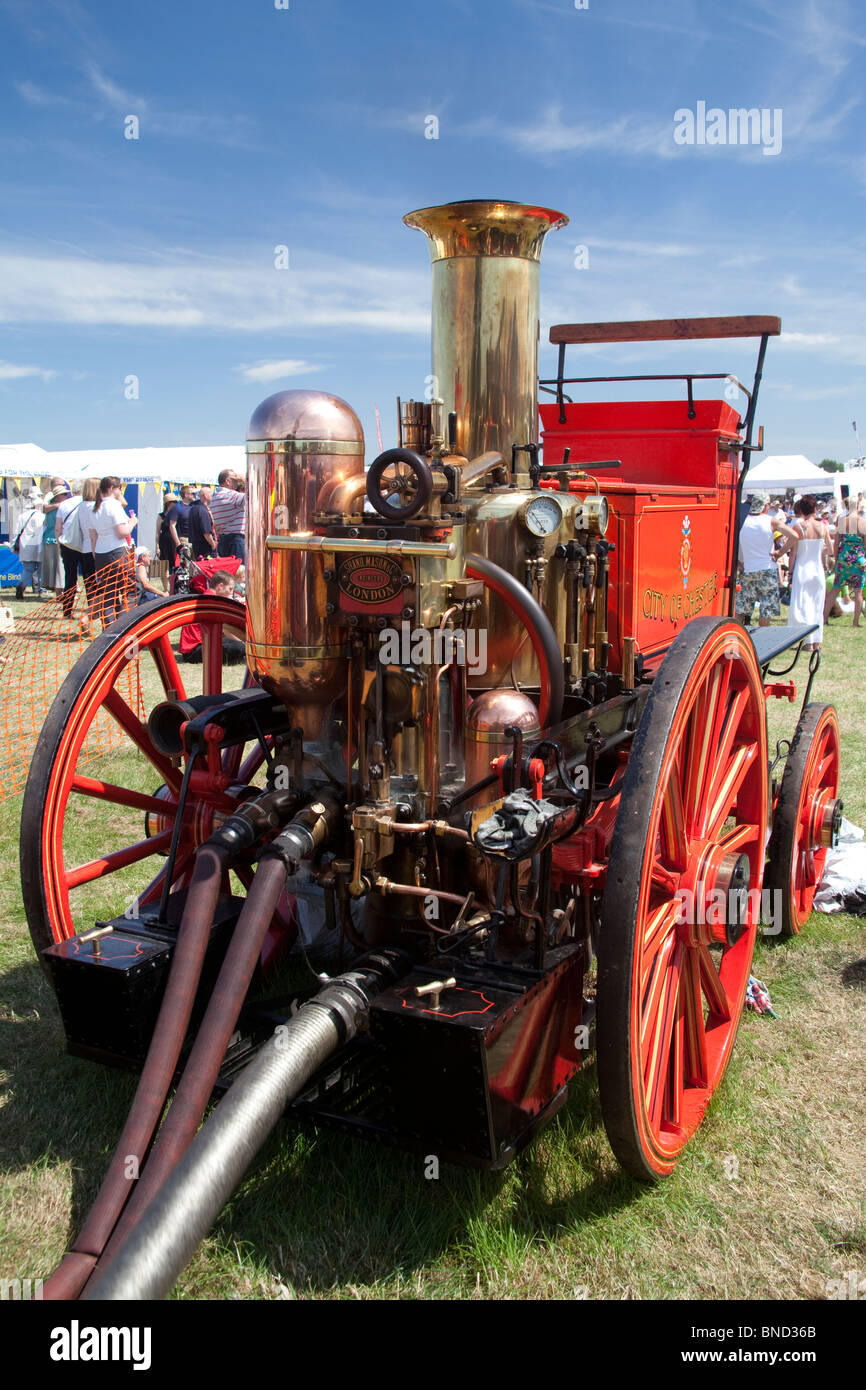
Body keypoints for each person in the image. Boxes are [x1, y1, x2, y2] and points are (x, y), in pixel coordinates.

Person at [736, 492, 800, 627]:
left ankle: (736, 637)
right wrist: (779, 552)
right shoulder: (770, 520)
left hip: (748, 568)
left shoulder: (743, 521)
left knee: (742, 608)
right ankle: (762, 639)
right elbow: (794, 535)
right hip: (767, 568)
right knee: (766, 609)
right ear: (765, 506)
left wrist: (738, 563)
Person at [776, 496, 830, 650]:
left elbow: (792, 552)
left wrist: (790, 572)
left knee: (803, 606)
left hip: (802, 569)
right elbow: (830, 550)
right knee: (817, 606)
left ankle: (807, 641)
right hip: (817, 570)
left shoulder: (799, 527)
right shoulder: (823, 527)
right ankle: (816, 641)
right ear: (814, 509)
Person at [88, 476, 137, 626]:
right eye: (119, 489)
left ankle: (109, 627)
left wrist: (95, 553)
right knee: (130, 588)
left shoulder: (96, 507)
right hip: (116, 552)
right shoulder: (114, 506)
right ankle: (124, 623)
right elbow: (122, 532)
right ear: (111, 488)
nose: (120, 492)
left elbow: (92, 535)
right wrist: (132, 523)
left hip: (101, 554)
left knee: (108, 593)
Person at [179, 569, 246, 664]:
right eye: (230, 589)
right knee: (239, 647)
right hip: (193, 650)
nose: (231, 593)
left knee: (235, 644)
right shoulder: (212, 602)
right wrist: (246, 645)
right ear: (220, 586)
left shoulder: (207, 597)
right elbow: (226, 630)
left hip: (199, 644)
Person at [825, 496, 866, 628]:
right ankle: (855, 622)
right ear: (858, 505)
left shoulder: (841, 521)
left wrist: (836, 559)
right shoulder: (862, 521)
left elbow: (836, 543)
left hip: (844, 555)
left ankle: (824, 618)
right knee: (858, 591)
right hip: (858, 556)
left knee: (835, 589)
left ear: (847, 506)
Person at [14, 487, 45, 599]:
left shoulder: (22, 516)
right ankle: (41, 590)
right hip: (39, 544)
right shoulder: (42, 516)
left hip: (26, 545)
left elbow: (17, 532)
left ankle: (21, 585)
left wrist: (14, 545)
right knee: (41, 569)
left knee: (28, 569)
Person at [210, 469, 246, 560]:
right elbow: (253, 496)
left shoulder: (214, 498)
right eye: (235, 479)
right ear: (227, 481)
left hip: (222, 541)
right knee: (239, 571)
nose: (237, 482)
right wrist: (243, 479)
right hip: (236, 540)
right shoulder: (230, 495)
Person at [41, 481, 70, 594]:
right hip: (57, 538)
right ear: (58, 496)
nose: (66, 496)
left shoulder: (52, 507)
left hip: (49, 538)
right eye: (64, 494)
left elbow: (44, 508)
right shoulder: (58, 507)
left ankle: (58, 591)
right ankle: (59, 592)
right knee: (59, 567)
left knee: (55, 567)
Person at [187, 485, 217, 559]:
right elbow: (206, 532)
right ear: (205, 496)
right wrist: (213, 544)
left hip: (196, 546)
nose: (212, 497)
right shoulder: (202, 510)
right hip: (206, 548)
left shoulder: (193, 509)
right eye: (211, 495)